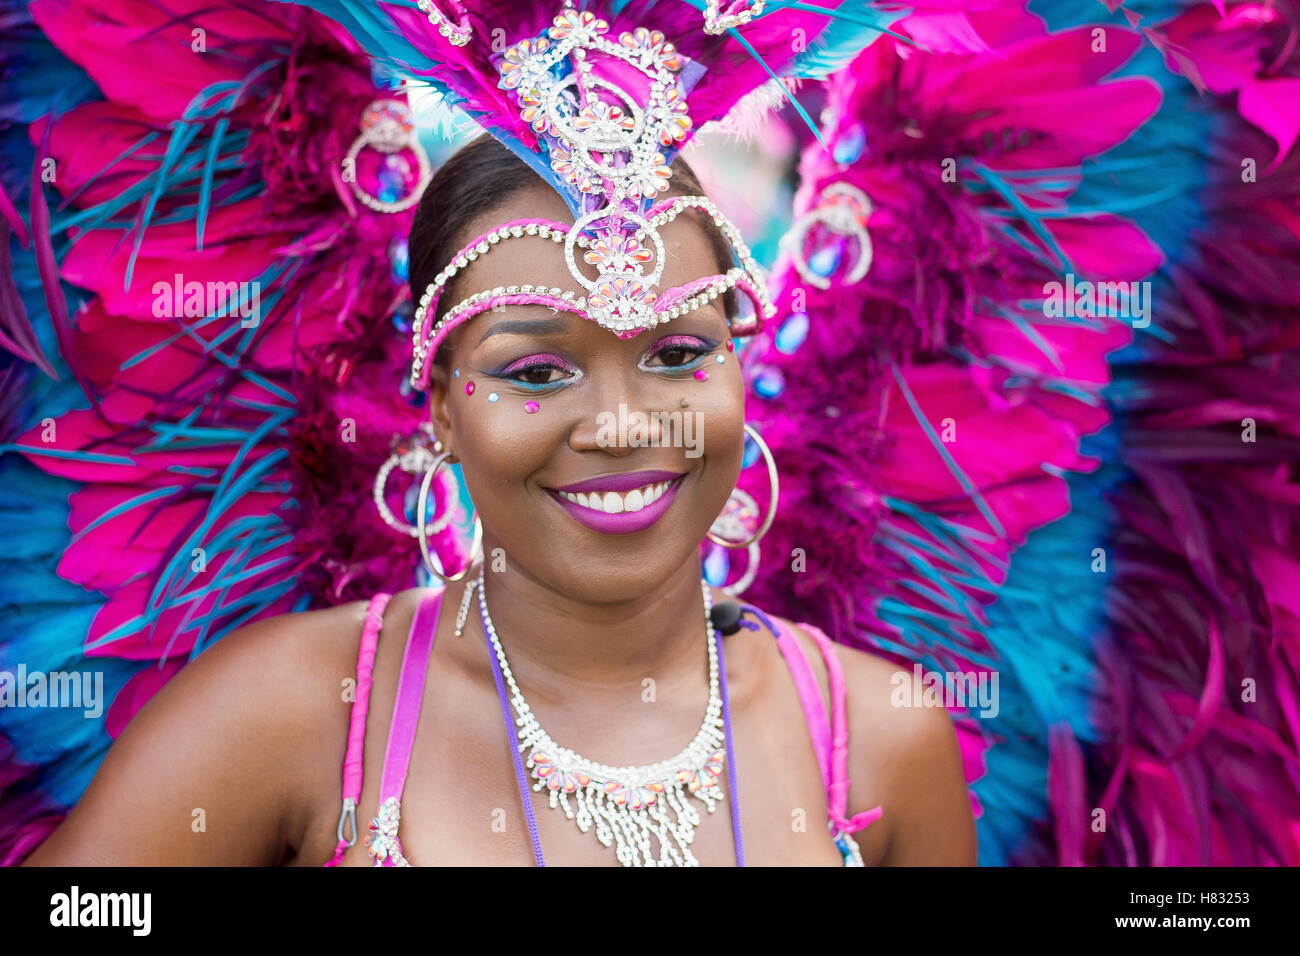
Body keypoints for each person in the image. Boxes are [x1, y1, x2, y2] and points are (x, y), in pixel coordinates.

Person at [22, 129, 975, 867]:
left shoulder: (880, 733)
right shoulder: (293, 710)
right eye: (539, 370)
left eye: (678, 355)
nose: (622, 426)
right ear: (441, 406)